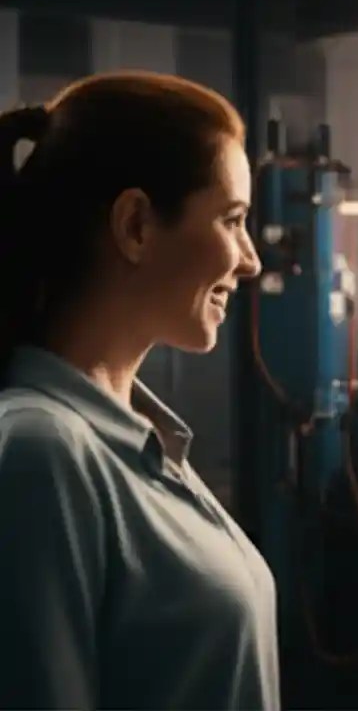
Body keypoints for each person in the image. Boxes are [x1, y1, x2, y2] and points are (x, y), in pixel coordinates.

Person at [0, 71, 274, 709]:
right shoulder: (42, 451)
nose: (251, 259)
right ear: (136, 226)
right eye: (232, 220)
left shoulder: (138, 441)